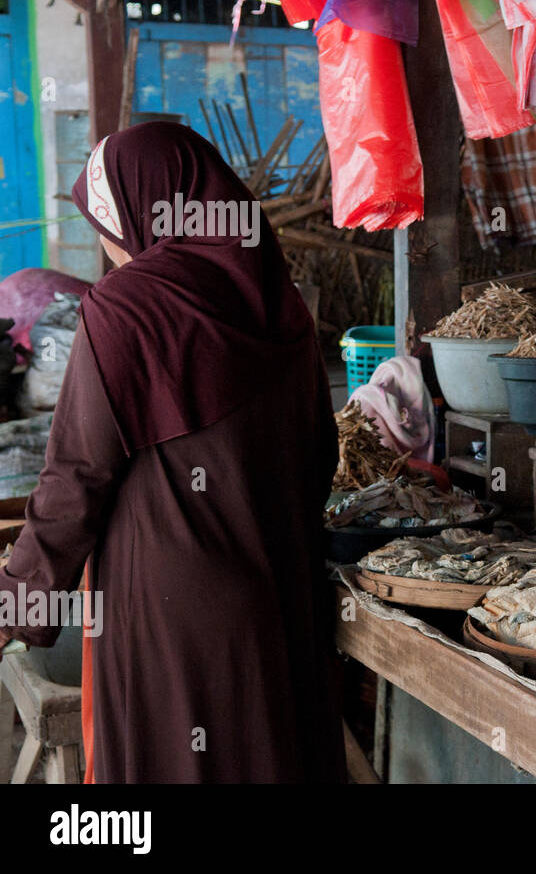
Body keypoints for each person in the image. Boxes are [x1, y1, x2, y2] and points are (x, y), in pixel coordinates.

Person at [0, 122, 345, 783]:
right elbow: (318, 459)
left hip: (170, 615)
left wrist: (13, 604)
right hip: (280, 597)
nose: (108, 250)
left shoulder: (126, 310)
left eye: (106, 227)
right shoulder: (283, 305)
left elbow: (74, 481)